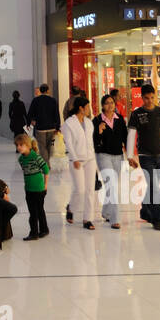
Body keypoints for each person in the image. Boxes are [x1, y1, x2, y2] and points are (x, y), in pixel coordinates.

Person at [126, 83, 160, 231]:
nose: (149, 101)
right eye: (146, 98)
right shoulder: (136, 114)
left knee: (153, 186)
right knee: (155, 188)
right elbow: (131, 134)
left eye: (152, 97)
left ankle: (145, 210)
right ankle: (158, 219)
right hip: (145, 156)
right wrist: (130, 156)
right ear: (141, 98)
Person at [61, 96, 98, 230]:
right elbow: (68, 143)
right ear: (81, 108)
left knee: (90, 190)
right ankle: (71, 207)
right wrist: (75, 158)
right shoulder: (68, 124)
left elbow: (90, 141)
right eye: (87, 107)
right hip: (76, 160)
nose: (89, 110)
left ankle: (87, 219)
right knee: (80, 190)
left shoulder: (89, 123)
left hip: (90, 159)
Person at [92, 94, 128, 229]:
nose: (110, 105)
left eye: (112, 102)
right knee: (111, 185)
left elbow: (125, 138)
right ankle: (114, 219)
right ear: (102, 106)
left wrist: (130, 156)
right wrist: (99, 131)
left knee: (111, 185)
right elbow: (93, 142)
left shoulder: (120, 120)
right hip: (103, 156)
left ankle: (106, 212)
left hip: (118, 156)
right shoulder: (96, 121)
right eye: (107, 103)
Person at [15, 132, 50, 241]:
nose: (19, 147)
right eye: (17, 145)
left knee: (39, 210)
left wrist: (45, 185)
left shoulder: (35, 156)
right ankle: (36, 232)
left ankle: (41, 231)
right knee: (32, 211)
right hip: (29, 189)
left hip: (39, 189)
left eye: (21, 145)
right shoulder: (21, 159)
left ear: (28, 145)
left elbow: (46, 170)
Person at [26, 84, 61, 164]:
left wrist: (28, 123)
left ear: (40, 91)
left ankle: (46, 163)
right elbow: (56, 114)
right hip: (51, 127)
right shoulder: (53, 100)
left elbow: (30, 113)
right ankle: (47, 162)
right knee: (48, 146)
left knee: (42, 147)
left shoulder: (36, 100)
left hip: (40, 128)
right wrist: (57, 127)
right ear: (48, 90)